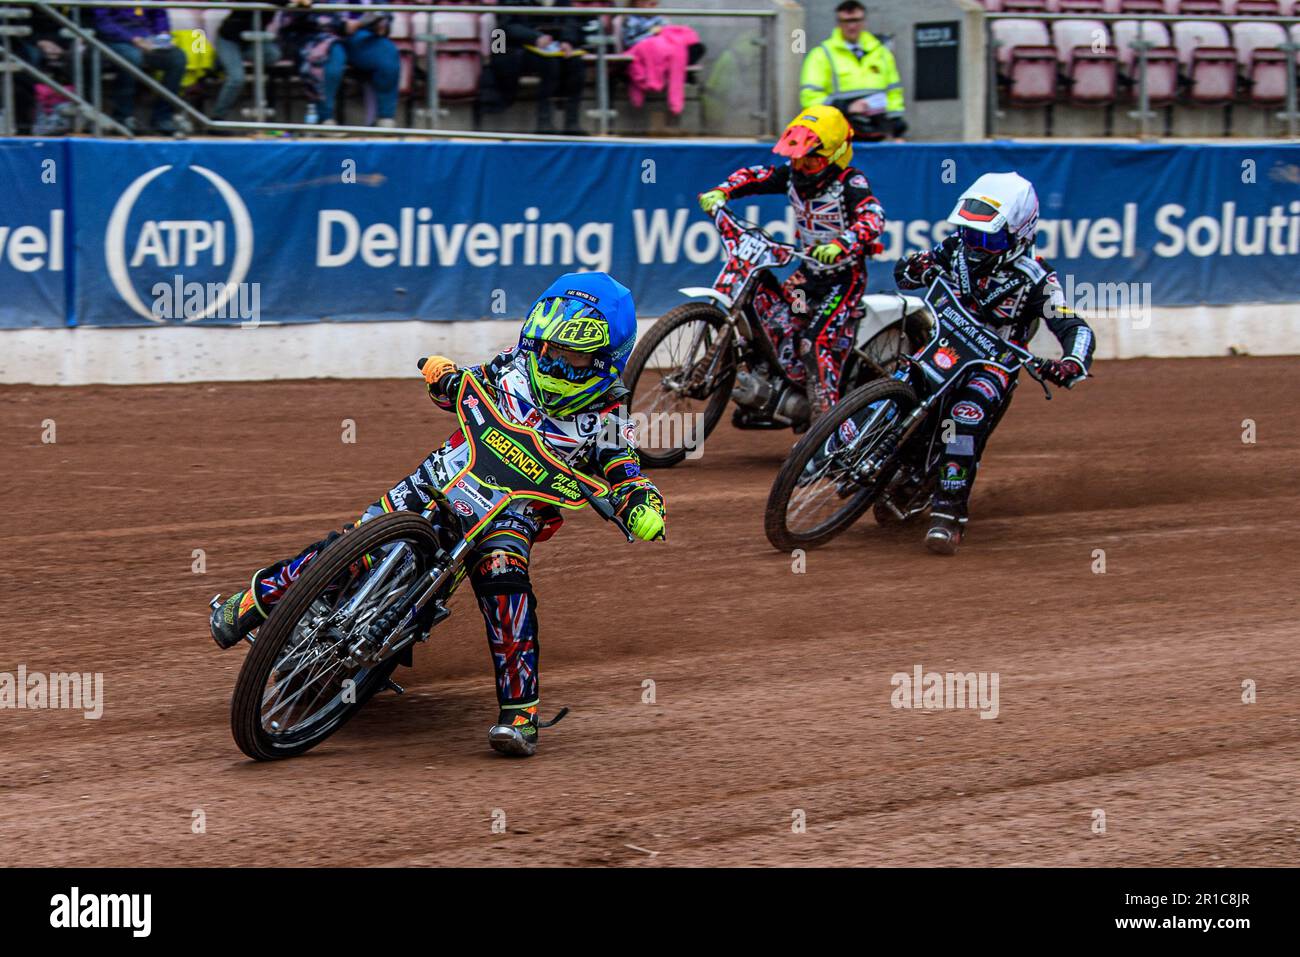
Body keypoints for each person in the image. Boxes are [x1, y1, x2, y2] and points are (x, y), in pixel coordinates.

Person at [208, 273, 667, 757]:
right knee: (348, 547)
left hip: (508, 515)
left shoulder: (610, 414)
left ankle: (520, 713)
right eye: (548, 347)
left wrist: (640, 501)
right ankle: (253, 601)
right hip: (440, 479)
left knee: (504, 588)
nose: (553, 361)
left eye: (571, 356)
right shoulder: (516, 363)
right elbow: (466, 384)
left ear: (605, 361)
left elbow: (623, 467)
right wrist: (445, 377)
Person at [894, 172, 1095, 555]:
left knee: (964, 418)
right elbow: (906, 271)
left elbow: (1075, 327)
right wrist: (916, 267)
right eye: (971, 233)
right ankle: (839, 445)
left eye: (987, 238)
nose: (975, 245)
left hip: (992, 367)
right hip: (942, 345)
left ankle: (947, 517)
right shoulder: (955, 247)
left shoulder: (1038, 279)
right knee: (893, 378)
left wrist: (1070, 363)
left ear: (1020, 234)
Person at [697, 104, 885, 424]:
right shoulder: (792, 177)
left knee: (815, 341)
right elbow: (757, 176)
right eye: (797, 157)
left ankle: (826, 424)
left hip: (842, 280)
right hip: (806, 275)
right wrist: (722, 191)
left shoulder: (850, 182)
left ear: (836, 155)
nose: (801, 165)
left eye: (811, 159)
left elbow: (873, 217)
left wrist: (841, 244)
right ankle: (777, 397)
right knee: (781, 323)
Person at [477, 0, 596, 135]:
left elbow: (571, 21)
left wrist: (567, 40)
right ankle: (544, 122)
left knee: (576, 63)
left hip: (553, 47)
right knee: (550, 63)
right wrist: (535, 37)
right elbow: (505, 28)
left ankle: (572, 123)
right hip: (517, 48)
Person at [279, 0, 399, 127]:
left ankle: (385, 118)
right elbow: (297, 13)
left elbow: (383, 9)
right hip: (313, 32)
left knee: (385, 51)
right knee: (331, 53)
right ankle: (324, 118)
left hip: (359, 33)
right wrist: (341, 25)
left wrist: (381, 23)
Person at [800, 1, 906, 142]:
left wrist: (896, 122)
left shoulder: (881, 53)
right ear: (838, 23)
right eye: (846, 21)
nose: (851, 26)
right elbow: (809, 97)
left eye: (856, 20)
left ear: (864, 22)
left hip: (878, 131)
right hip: (840, 132)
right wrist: (846, 107)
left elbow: (893, 91)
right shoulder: (821, 55)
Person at [90, 5, 187, 133]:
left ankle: (163, 117)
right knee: (132, 57)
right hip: (115, 39)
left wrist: (162, 36)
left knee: (177, 58)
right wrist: (134, 39)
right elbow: (103, 22)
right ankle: (123, 117)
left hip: (147, 37)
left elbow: (159, 13)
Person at [208, 0, 307, 123]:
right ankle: (217, 118)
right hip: (229, 40)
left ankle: (232, 59)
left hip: (252, 42)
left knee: (273, 55)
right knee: (237, 78)